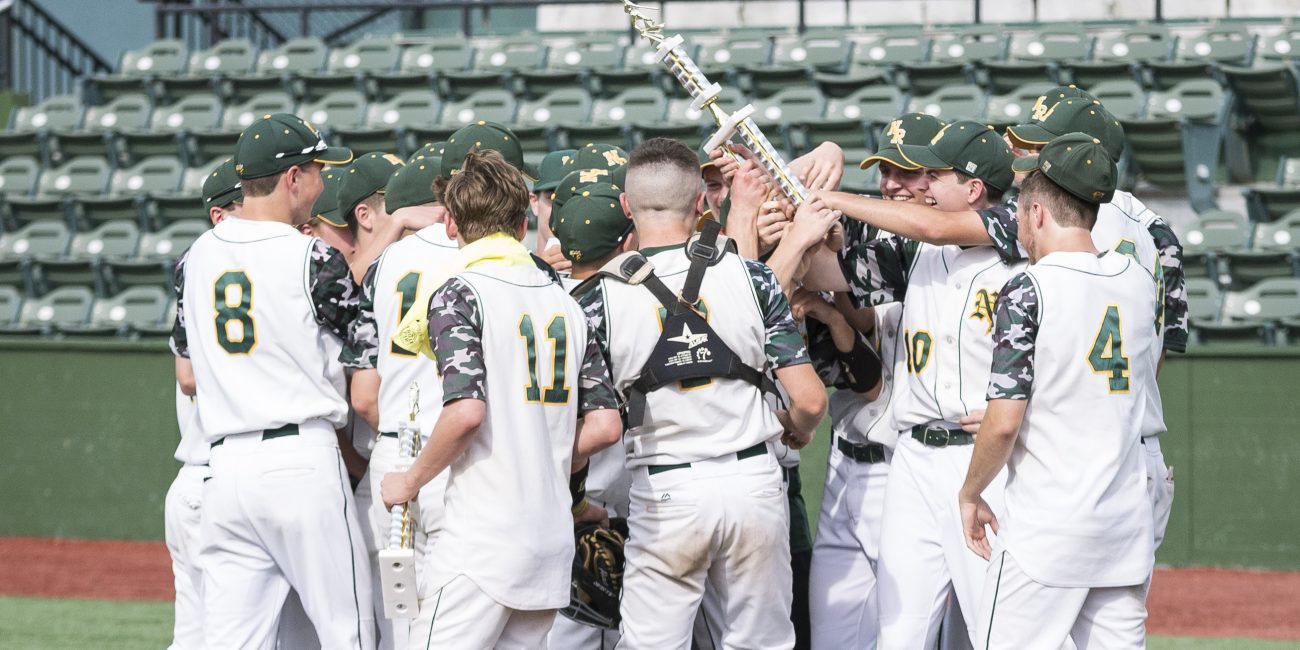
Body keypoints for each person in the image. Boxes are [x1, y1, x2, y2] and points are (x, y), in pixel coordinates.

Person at [770, 120, 1024, 648]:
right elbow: (826, 272)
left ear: (974, 188)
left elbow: (930, 226)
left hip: (980, 456)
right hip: (912, 453)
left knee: (997, 627)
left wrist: (829, 197)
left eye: (935, 174)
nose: (922, 185)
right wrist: (785, 216)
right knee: (898, 632)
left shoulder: (1020, 233)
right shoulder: (914, 253)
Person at [576, 137, 827, 648]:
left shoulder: (595, 300)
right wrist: (794, 430)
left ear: (627, 207)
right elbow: (811, 400)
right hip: (753, 482)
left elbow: (596, 422)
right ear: (699, 203)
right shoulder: (753, 277)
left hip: (667, 490)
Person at [379, 149, 622, 648]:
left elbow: (467, 413)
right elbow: (604, 427)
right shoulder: (566, 301)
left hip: (482, 542)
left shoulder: (459, 291)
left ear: (451, 224)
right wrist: (540, 449)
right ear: (522, 221)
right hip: (549, 541)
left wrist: (410, 480)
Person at [171, 112, 374, 648]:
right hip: (300, 462)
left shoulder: (194, 259)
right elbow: (367, 360)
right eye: (317, 170)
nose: (323, 182)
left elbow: (185, 367)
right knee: (347, 632)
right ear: (292, 178)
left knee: (232, 641)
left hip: (224, 469)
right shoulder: (314, 257)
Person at [961, 133, 1156, 648]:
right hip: (1123, 531)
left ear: (1039, 214)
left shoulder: (1029, 288)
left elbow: (1004, 421)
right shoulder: (1137, 280)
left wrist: (970, 492)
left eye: (1022, 212)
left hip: (1047, 534)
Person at [802, 112, 945, 650]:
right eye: (885, 171)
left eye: (907, 172)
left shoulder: (955, 252)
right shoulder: (882, 238)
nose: (891, 184)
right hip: (847, 463)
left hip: (909, 466)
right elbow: (852, 304)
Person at [345, 156, 457, 650]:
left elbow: (364, 396)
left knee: (397, 620)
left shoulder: (379, 269)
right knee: (449, 616)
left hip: (392, 453)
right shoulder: (478, 258)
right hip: (454, 453)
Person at [545, 181, 636, 649]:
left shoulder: (543, 303)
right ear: (627, 240)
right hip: (621, 493)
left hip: (559, 492)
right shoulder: (639, 300)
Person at [165, 158, 242, 649]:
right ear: (221, 216)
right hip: (216, 476)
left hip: (195, 483)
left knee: (194, 639)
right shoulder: (204, 267)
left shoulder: (200, 275)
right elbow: (188, 375)